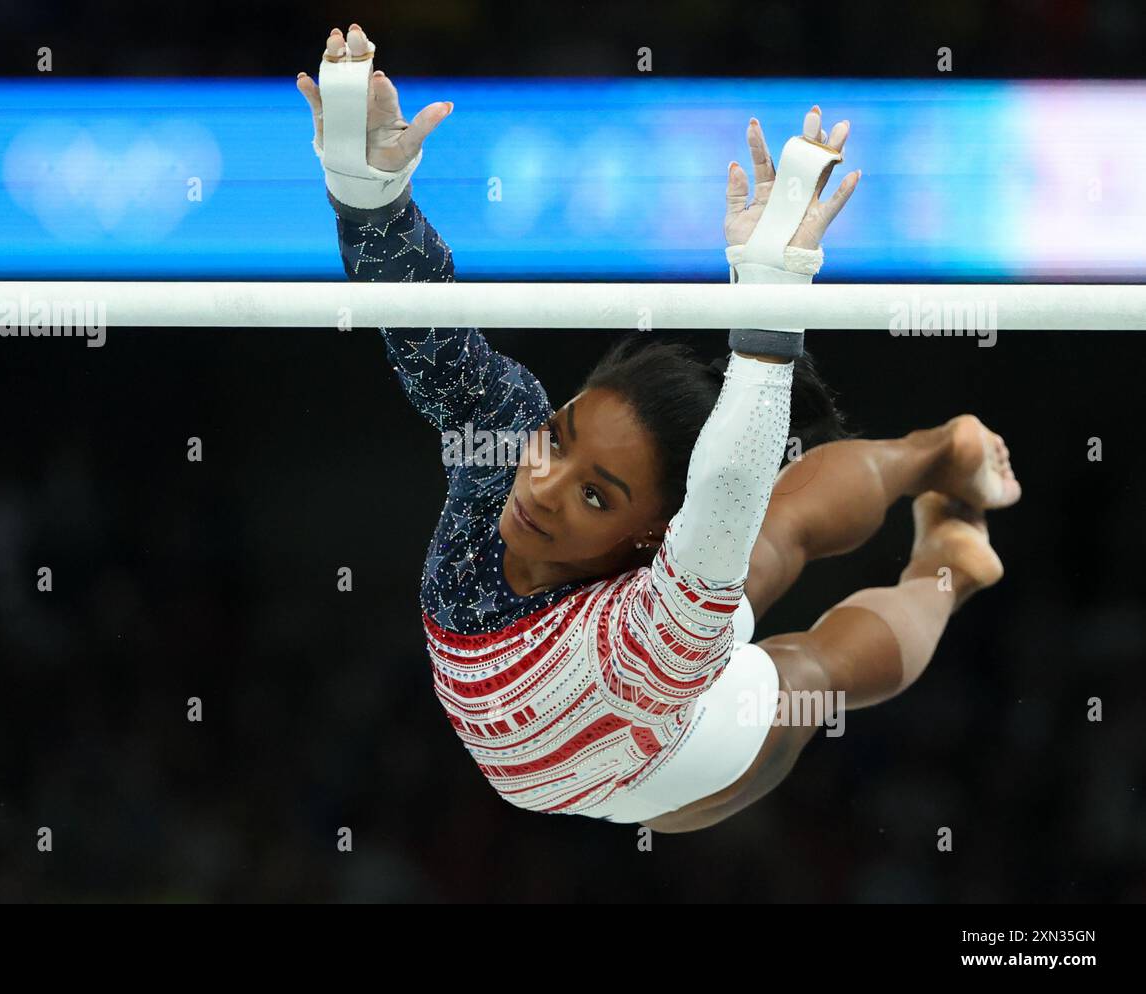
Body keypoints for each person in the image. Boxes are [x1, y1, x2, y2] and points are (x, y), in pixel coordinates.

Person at [297, 25, 1021, 831]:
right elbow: (422, 330)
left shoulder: (646, 638)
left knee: (812, 670)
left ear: (658, 537)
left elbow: (733, 482)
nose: (543, 486)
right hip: (621, 727)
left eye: (597, 497)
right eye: (558, 440)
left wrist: (771, 299)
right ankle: (941, 457)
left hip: (667, 752)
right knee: (764, 545)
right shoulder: (504, 446)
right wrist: (370, 201)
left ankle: (945, 564)